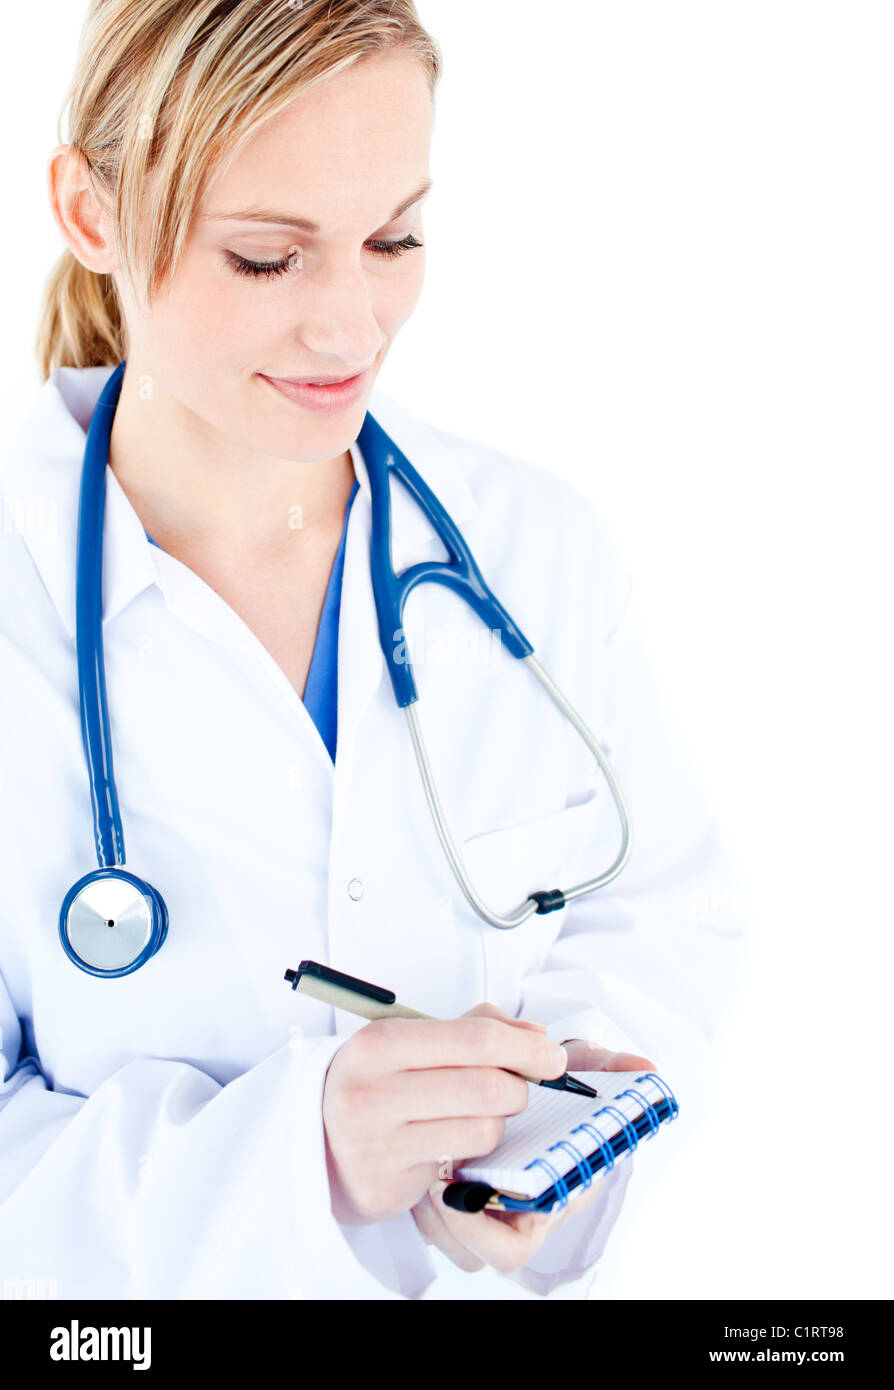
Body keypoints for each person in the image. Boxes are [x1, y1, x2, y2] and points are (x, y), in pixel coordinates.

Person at [0, 0, 742, 1300]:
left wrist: (530, 1166)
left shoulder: (530, 550)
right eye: (263, 259)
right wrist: (305, 1161)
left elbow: (653, 921)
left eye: (393, 236)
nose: (352, 328)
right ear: (88, 213)